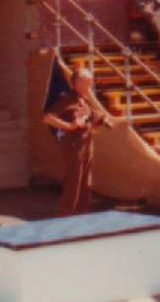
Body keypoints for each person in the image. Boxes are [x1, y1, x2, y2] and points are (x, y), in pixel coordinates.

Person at [43, 66, 115, 215]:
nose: (90, 81)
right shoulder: (66, 98)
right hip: (73, 145)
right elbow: (48, 118)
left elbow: (87, 117)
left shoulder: (84, 99)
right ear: (76, 82)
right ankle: (66, 216)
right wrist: (69, 126)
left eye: (90, 79)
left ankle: (81, 215)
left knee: (85, 183)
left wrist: (101, 120)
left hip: (87, 143)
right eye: (86, 79)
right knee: (73, 182)